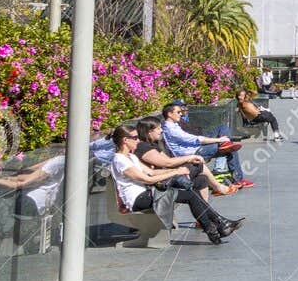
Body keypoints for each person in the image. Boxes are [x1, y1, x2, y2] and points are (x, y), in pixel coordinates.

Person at [107, 124, 241, 244]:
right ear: (125, 140)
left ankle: (218, 225)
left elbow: (152, 173)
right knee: (190, 196)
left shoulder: (131, 157)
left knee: (192, 192)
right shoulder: (120, 160)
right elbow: (147, 179)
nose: (138, 140)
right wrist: (175, 172)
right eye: (135, 138)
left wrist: (177, 170)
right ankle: (216, 227)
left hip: (147, 194)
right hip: (138, 200)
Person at [134, 119, 233, 198]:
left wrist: (188, 161)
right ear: (149, 132)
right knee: (199, 165)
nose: (161, 131)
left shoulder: (152, 144)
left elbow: (168, 161)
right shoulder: (143, 147)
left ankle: (205, 212)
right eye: (158, 128)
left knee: (202, 179)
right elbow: (167, 163)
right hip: (161, 181)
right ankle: (218, 188)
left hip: (167, 174)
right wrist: (189, 158)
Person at [161, 102, 251, 188]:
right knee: (231, 149)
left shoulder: (174, 125)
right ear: (170, 114)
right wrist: (218, 140)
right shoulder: (170, 129)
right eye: (178, 112)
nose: (181, 114)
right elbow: (194, 139)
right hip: (193, 152)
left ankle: (225, 144)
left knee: (223, 128)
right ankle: (238, 179)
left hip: (196, 146)